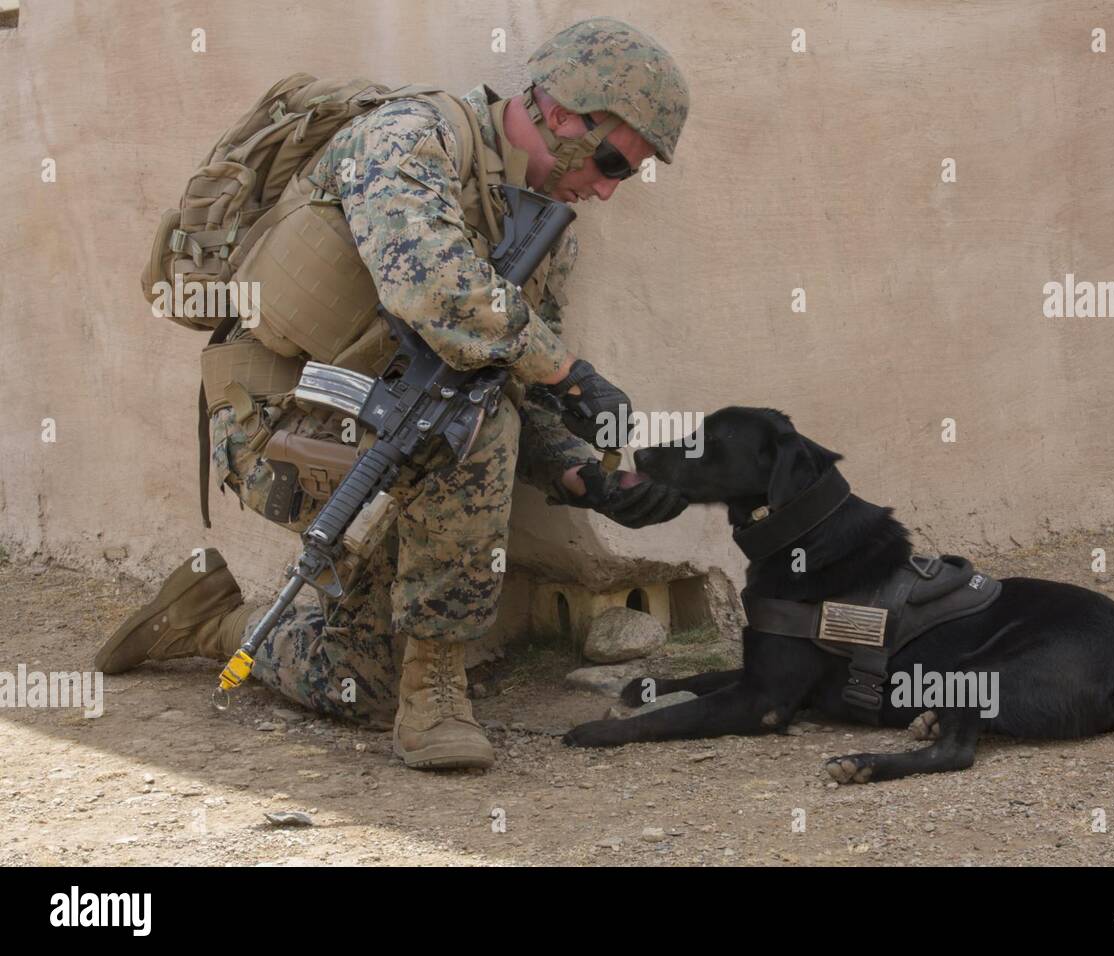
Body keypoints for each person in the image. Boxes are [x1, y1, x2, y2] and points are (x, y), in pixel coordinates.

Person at [96, 18, 690, 771]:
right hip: (274, 418)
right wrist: (567, 370)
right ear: (564, 112)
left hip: (393, 431)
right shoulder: (411, 136)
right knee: (475, 432)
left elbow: (510, 370)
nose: (607, 188)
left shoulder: (544, 230)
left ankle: (212, 623)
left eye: (623, 173)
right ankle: (436, 690)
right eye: (611, 161)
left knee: (358, 683)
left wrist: (585, 474)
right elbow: (435, 286)